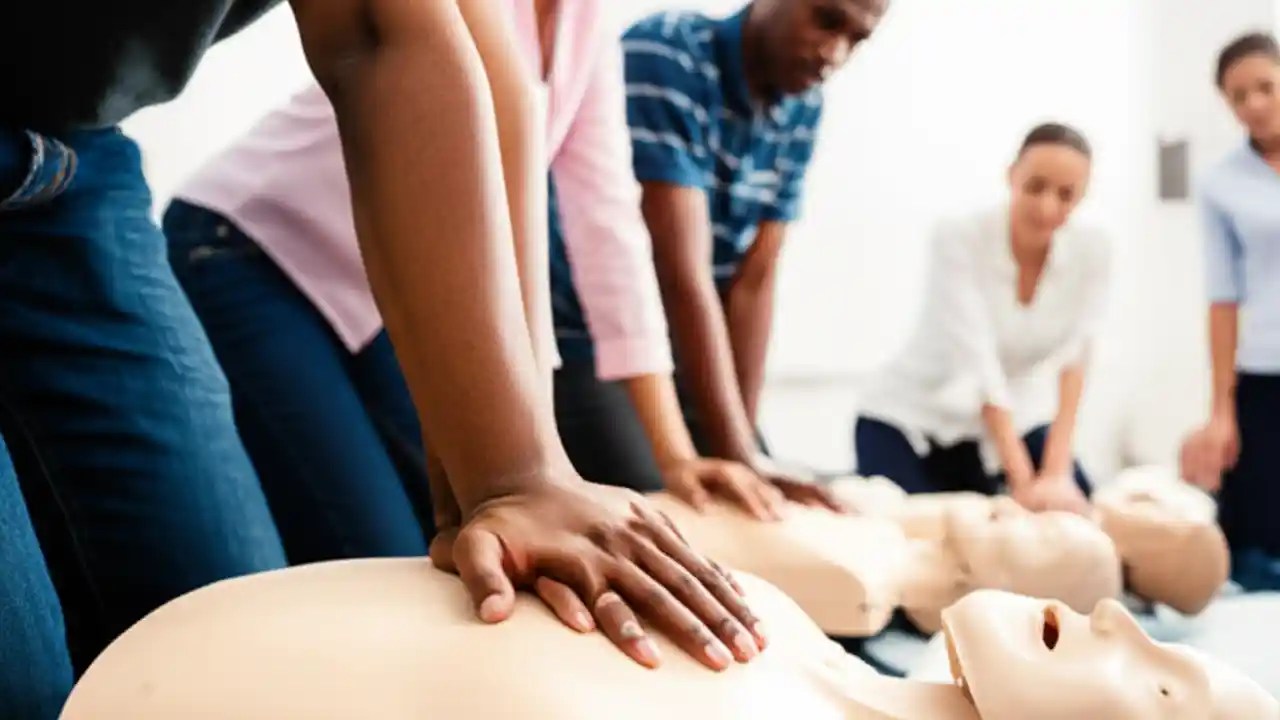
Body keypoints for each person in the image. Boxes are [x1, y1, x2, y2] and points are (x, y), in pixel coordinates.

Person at [0, 1, 760, 715]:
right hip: (252, 257)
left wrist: (525, 475)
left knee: (245, 659)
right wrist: (517, 474)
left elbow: (430, 61)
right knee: (25, 684)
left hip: (73, 165)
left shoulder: (588, 26)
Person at [552, 0, 887, 496]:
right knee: (670, 510)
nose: (834, 53)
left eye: (856, 40)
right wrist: (735, 452)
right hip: (589, 342)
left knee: (773, 500)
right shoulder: (668, 52)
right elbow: (680, 273)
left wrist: (747, 445)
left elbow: (754, 283)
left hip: (682, 352)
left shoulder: (804, 107)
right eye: (826, 20)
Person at [854, 124, 1110, 515]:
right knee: (925, 537)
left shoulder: (1093, 251)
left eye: (1065, 195)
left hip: (1010, 423)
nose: (1047, 208)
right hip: (910, 421)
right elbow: (979, 366)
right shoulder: (958, 237)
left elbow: (1076, 360)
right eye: (1035, 187)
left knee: (1079, 507)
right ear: (1012, 175)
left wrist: (1056, 475)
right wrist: (1024, 485)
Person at [1180, 32, 1280, 590]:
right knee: (1252, 549)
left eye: (1265, 87)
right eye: (1239, 96)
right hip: (1264, 375)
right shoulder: (1221, 183)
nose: (1255, 104)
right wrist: (1222, 409)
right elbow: (1222, 298)